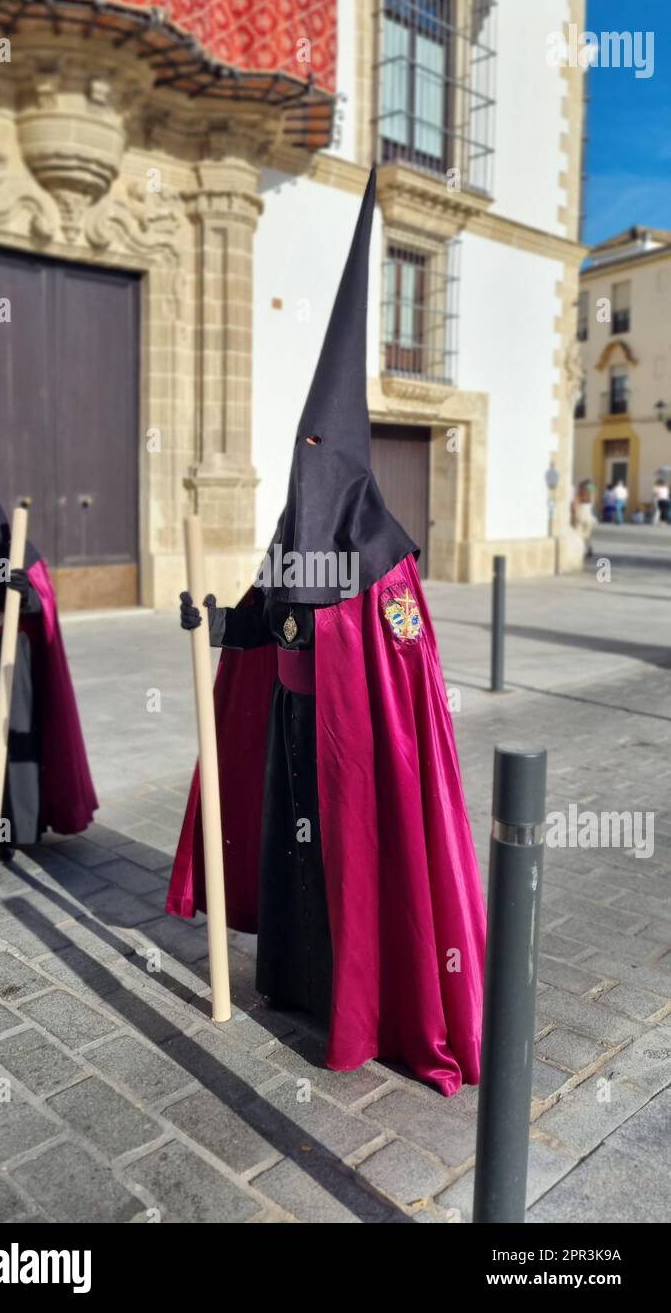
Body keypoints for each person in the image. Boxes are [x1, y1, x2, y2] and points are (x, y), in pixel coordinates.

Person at [167, 170, 486, 1095]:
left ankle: (366, 1003)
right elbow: (265, 620)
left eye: (317, 454)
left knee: (354, 867)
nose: (304, 471)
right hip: (294, 740)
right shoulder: (295, 535)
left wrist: (332, 637)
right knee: (297, 868)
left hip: (357, 752)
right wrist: (217, 621)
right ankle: (301, 982)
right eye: (299, 452)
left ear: (343, 465)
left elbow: (401, 679)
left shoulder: (381, 555)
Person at [0, 346, 98, 865]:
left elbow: (43, 611)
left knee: (8, 744)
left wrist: (21, 588)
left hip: (15, 666)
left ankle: (9, 830)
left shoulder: (21, 547)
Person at [574, 478, 595, 557]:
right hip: (588, 512)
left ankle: (582, 550)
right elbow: (593, 491)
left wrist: (575, 514)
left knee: (579, 533)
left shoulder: (580, 492)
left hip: (581, 511)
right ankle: (589, 547)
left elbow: (576, 502)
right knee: (587, 533)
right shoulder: (590, 494)